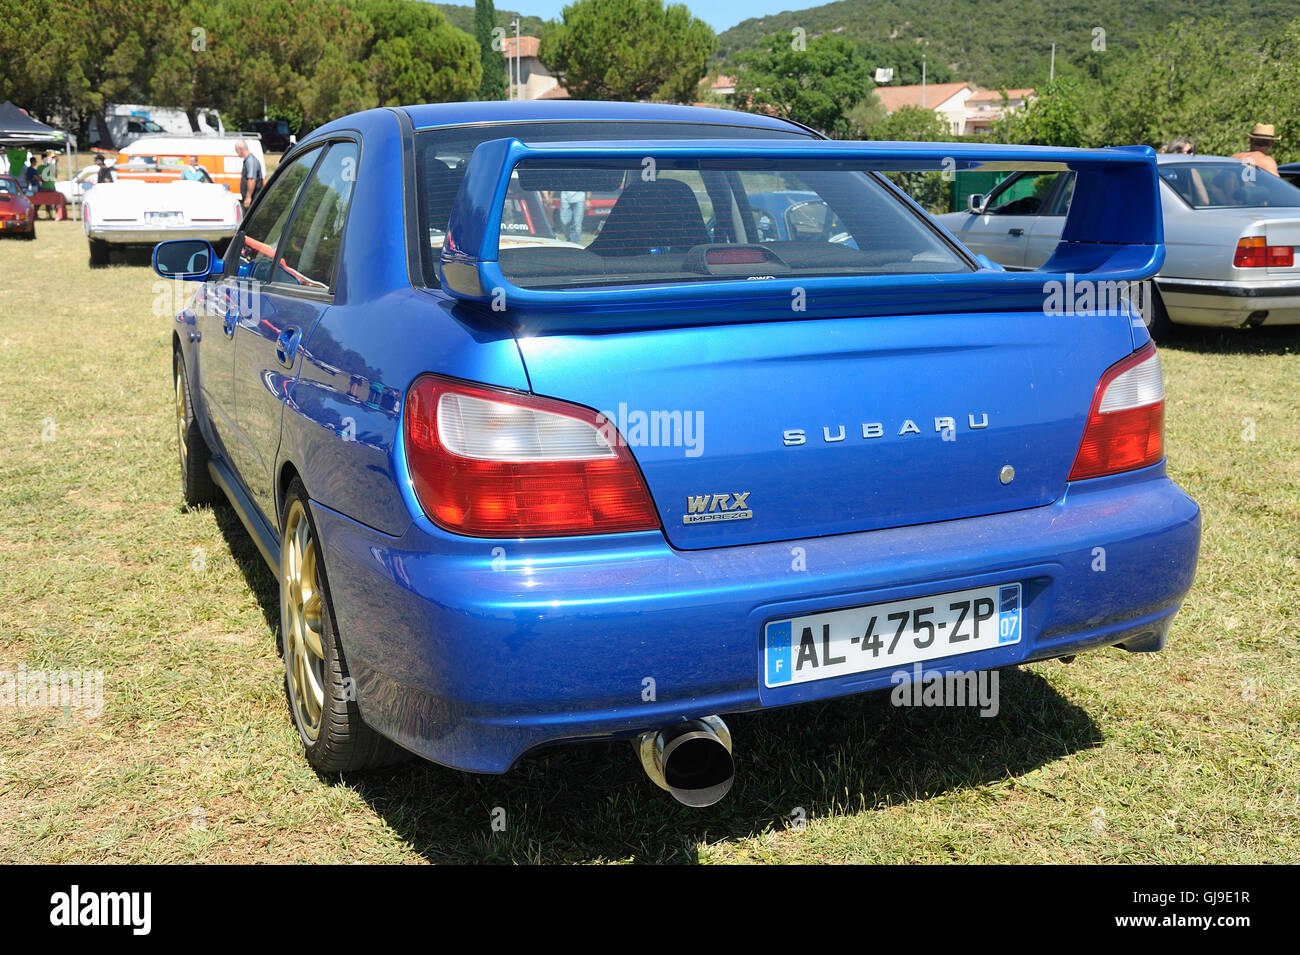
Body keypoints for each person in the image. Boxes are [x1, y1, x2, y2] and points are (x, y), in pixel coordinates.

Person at [233, 140, 263, 210]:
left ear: (241, 149)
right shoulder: (248, 160)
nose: (237, 153)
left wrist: (248, 197)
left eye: (237, 151)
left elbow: (252, 180)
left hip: (253, 198)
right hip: (251, 198)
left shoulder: (250, 161)